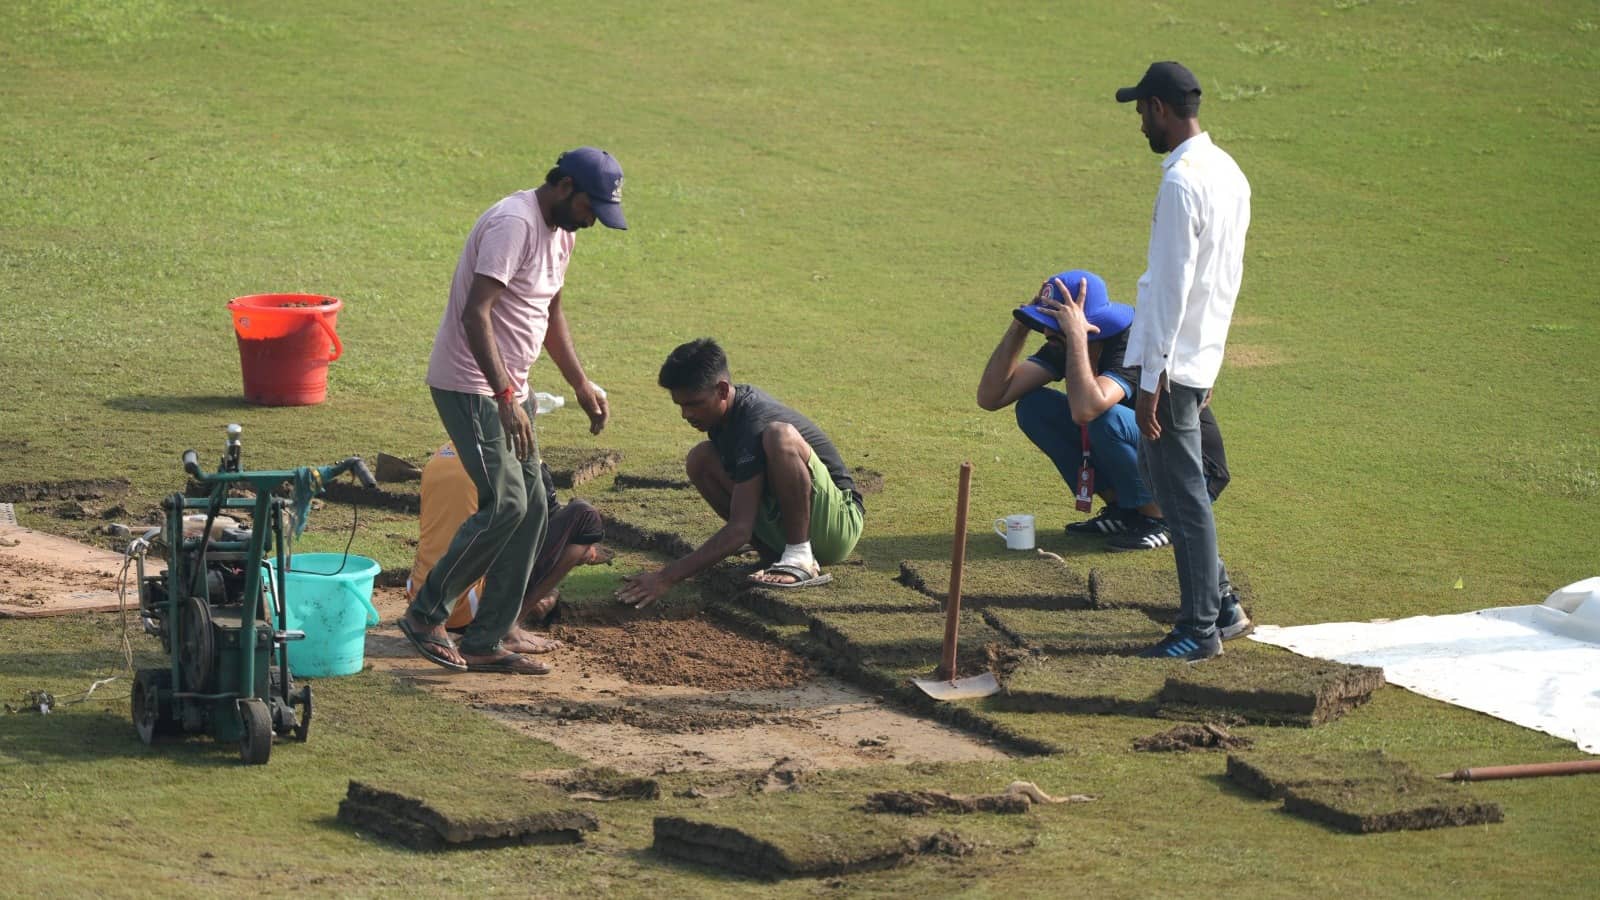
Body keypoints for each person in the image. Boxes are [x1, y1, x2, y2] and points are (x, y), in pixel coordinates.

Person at [398, 147, 624, 675]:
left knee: (534, 509)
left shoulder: (562, 231)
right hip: (471, 385)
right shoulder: (512, 224)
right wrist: (504, 398)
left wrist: (580, 381)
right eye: (593, 207)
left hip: (509, 389)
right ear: (567, 186)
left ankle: (488, 636)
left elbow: (550, 312)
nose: (593, 222)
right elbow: (477, 315)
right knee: (505, 504)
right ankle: (425, 614)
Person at [1115, 62, 1252, 660]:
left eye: (1141, 111)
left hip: (1168, 368)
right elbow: (1224, 280)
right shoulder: (1229, 172)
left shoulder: (1180, 183)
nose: (1140, 123)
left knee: (1182, 496)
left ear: (1159, 109)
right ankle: (1222, 603)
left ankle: (1200, 629)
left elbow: (1172, 286)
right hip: (1195, 359)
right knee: (1177, 490)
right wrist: (1205, 363)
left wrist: (1152, 378)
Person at [976, 269, 1232, 552]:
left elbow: (1087, 409)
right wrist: (1021, 324)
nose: (1047, 331)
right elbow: (991, 397)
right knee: (1033, 408)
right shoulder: (1064, 343)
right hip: (1146, 448)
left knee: (1104, 418)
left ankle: (1159, 518)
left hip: (1194, 470)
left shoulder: (1131, 343)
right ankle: (1124, 510)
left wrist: (1074, 337)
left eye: (1054, 324)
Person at [616, 338, 865, 608]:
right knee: (700, 459)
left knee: (779, 436)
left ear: (722, 390)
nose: (686, 414)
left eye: (693, 403)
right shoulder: (721, 419)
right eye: (680, 405)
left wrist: (666, 577)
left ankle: (800, 556)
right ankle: (773, 555)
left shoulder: (755, 419)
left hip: (838, 525)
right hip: (792, 520)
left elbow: (739, 529)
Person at [407, 441, 611, 658]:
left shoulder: (440, 456)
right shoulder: (517, 456)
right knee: (584, 516)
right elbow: (548, 521)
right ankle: (505, 628)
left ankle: (500, 616)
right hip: (472, 608)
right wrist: (584, 549)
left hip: (422, 598)